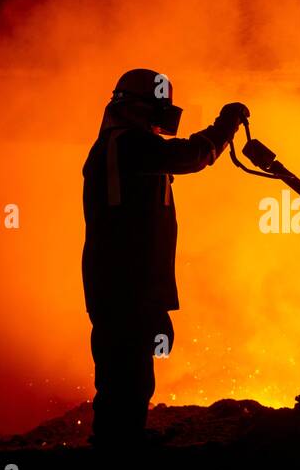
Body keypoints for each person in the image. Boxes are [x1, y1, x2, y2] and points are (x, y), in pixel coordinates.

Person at [81, 68, 249, 449]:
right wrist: (227, 123)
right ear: (139, 108)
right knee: (125, 367)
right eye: (160, 108)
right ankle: (116, 449)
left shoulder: (126, 146)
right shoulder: (127, 146)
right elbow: (191, 155)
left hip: (130, 282)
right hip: (123, 284)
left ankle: (123, 439)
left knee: (131, 366)